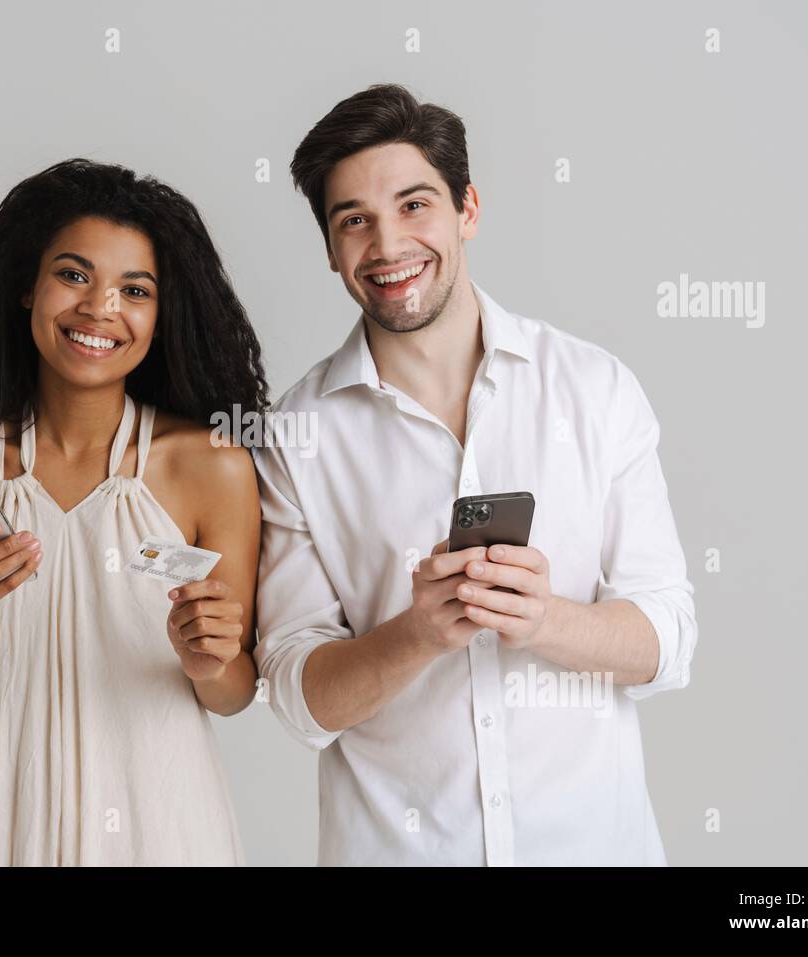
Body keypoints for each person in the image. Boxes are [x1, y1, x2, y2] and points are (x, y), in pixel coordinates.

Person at [252, 84, 699, 865]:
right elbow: (299, 698)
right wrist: (416, 634)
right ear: (330, 249)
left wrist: (547, 620)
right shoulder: (295, 438)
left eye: (414, 205)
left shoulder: (594, 389)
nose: (387, 246)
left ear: (468, 209)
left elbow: (670, 638)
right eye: (353, 219)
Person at [0, 158, 267, 865]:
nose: (100, 308)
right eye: (73, 274)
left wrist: (210, 658)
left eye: (135, 289)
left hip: (164, 831)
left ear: (162, 314)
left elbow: (233, 692)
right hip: (4, 829)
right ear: (27, 286)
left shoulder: (210, 466)